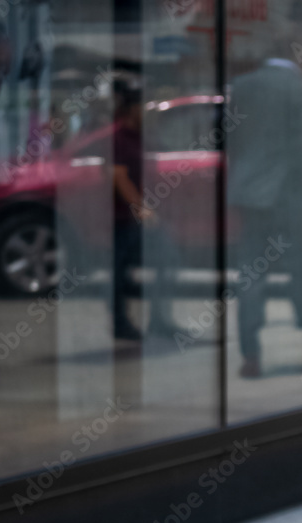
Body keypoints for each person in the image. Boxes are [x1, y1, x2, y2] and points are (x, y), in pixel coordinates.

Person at [227, 36, 302, 378]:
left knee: (251, 276)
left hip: (250, 194)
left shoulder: (241, 86)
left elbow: (231, 141)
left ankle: (251, 356)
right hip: (290, 194)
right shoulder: (300, 88)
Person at [111, 84, 183, 340]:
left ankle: (159, 318)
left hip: (142, 215)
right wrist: (139, 207)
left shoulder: (141, 136)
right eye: (144, 107)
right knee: (119, 273)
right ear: (131, 110)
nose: (148, 112)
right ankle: (121, 323)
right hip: (123, 217)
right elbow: (117, 175)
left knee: (167, 259)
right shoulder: (119, 137)